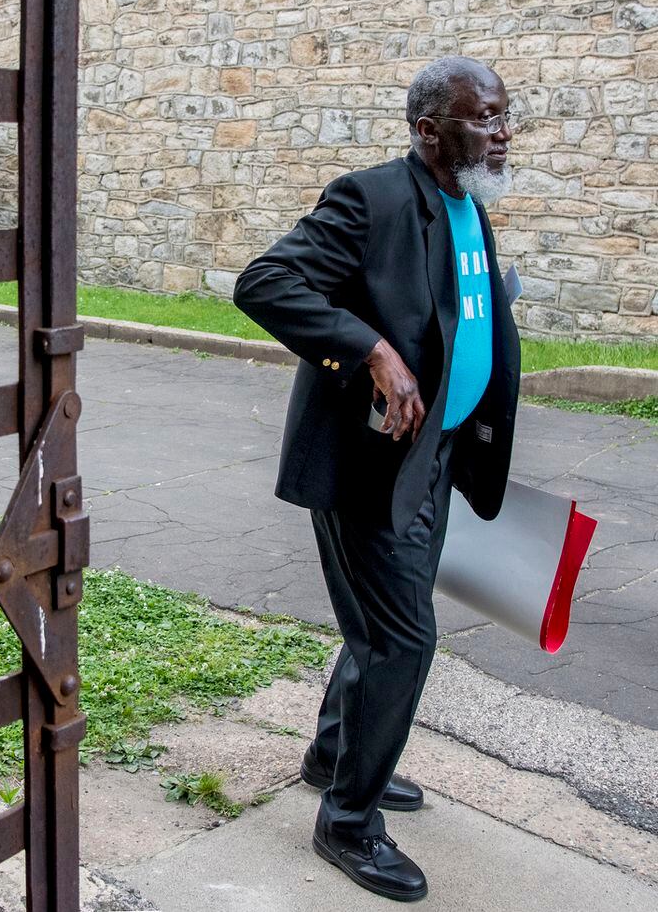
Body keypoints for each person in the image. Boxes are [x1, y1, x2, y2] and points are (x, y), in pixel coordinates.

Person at [233, 56, 521, 903]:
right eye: (486, 117)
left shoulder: (468, 206)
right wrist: (370, 350)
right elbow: (265, 280)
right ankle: (349, 820)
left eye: (508, 116)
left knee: (379, 630)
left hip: (429, 458)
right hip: (367, 466)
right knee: (403, 639)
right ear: (430, 130)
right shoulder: (370, 198)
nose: (503, 132)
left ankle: (334, 757)